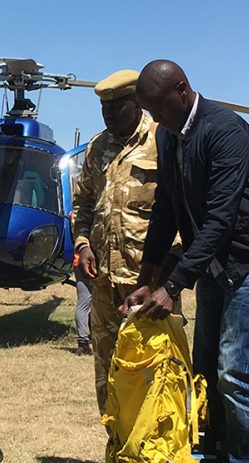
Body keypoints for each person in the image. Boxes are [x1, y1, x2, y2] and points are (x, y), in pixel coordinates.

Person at [124, 60, 249, 463]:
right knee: (205, 375)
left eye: (158, 108)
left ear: (182, 90)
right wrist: (149, 273)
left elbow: (220, 217)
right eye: (149, 112)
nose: (155, 120)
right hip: (217, 265)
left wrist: (174, 286)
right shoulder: (167, 134)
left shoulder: (227, 131)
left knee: (235, 373)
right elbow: (167, 208)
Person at [73, 70, 173, 415]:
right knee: (107, 372)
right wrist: (83, 244)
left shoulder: (164, 139)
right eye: (104, 112)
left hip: (147, 286)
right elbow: (82, 205)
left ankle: (150, 457)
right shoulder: (97, 147)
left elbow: (180, 212)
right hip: (103, 286)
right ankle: (116, 454)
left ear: (138, 104)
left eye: (117, 110)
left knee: (150, 372)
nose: (109, 118)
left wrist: (167, 280)